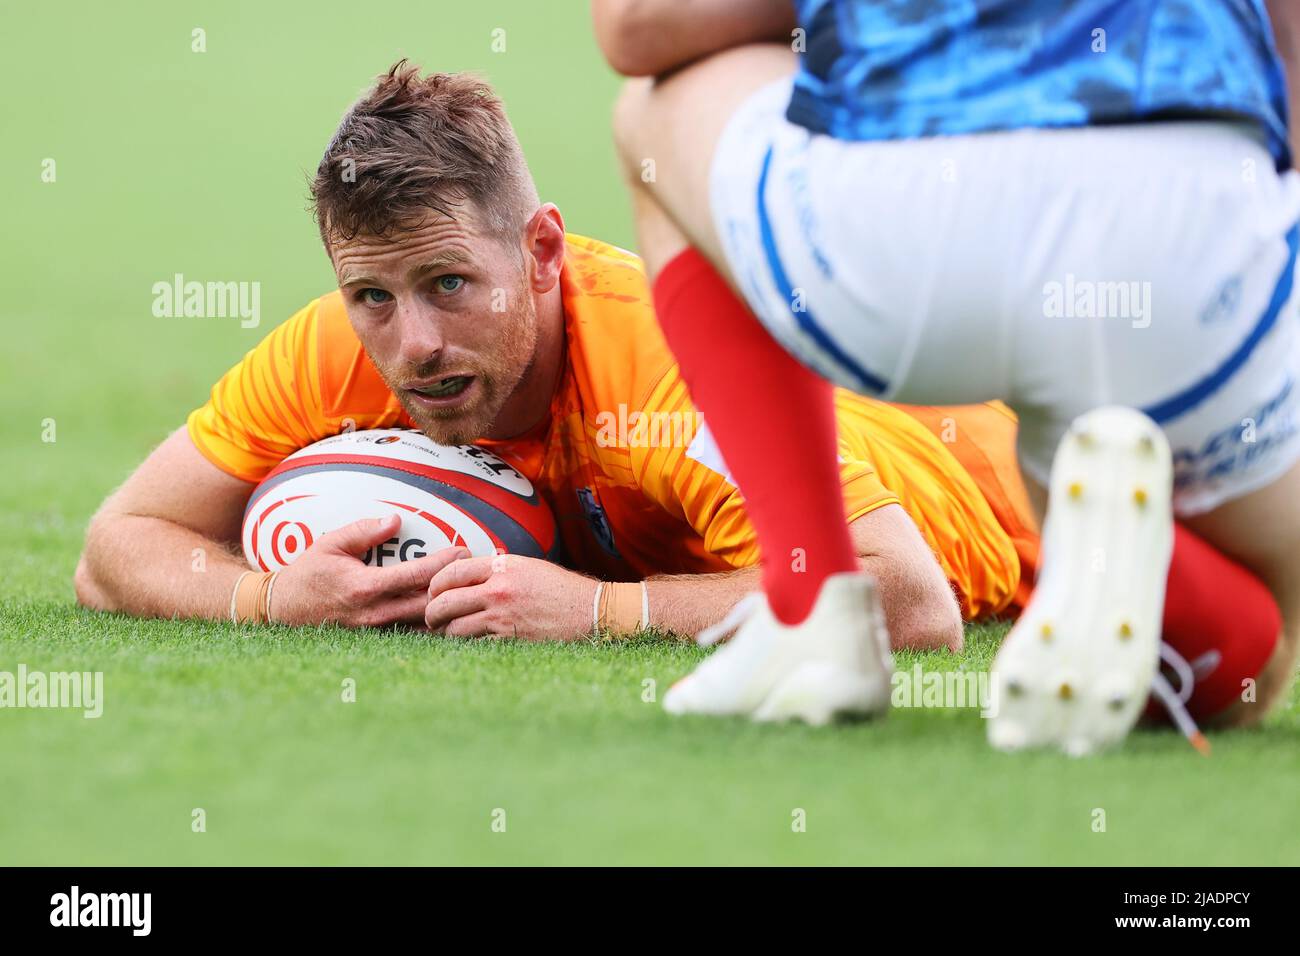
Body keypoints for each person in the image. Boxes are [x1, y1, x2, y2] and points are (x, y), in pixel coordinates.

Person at [74, 62, 1041, 651]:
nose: (413, 345)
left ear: (542, 250)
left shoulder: (665, 373)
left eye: (450, 283)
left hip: (1040, 512)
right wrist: (266, 597)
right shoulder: (342, 345)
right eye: (373, 295)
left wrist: (600, 614)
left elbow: (910, 606)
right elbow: (116, 549)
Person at [596, 0, 1300, 751]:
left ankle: (812, 606)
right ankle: (1131, 545)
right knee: (1276, 628)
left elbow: (637, 25)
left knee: (654, 107)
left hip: (899, 236)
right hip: (1186, 227)